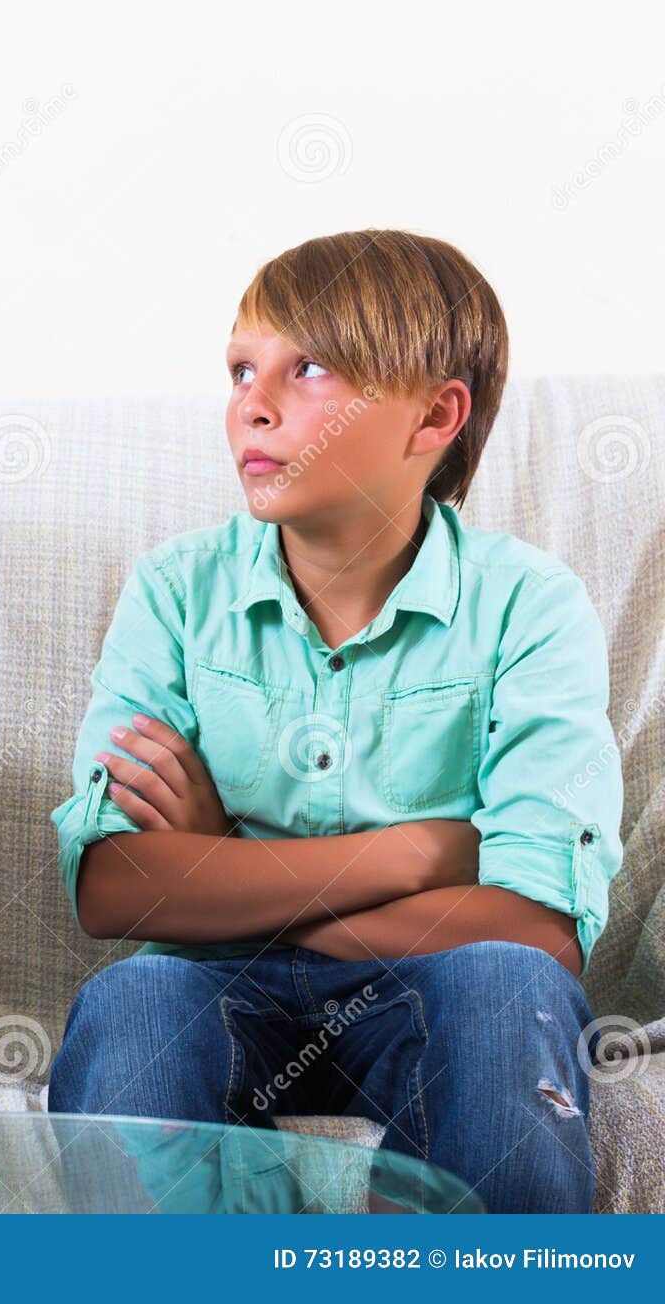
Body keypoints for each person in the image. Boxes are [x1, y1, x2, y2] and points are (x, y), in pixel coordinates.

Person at [46, 229, 623, 1213]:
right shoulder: (176, 592)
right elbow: (116, 888)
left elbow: (535, 923)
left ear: (434, 416)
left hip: (441, 987)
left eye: (306, 368)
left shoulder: (530, 605)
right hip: (212, 993)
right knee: (132, 999)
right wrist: (418, 855)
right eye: (239, 370)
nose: (252, 405)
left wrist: (224, 868)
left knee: (501, 988)